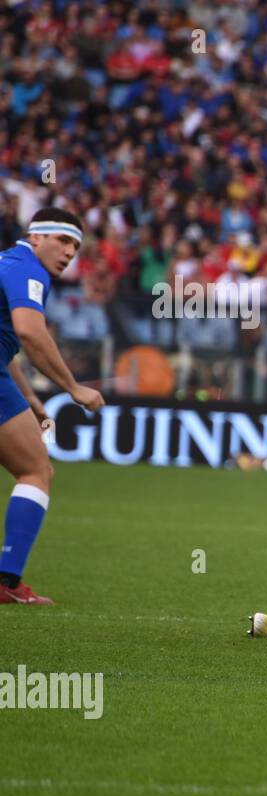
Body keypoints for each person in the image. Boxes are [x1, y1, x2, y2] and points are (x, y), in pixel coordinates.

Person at [0, 208, 104, 604]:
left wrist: (27, 395)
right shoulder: (29, 268)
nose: (69, 252)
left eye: (76, 247)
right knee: (35, 470)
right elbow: (29, 331)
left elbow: (8, 344)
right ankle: (7, 582)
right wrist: (73, 387)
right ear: (36, 236)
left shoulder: (8, 262)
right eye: (63, 241)